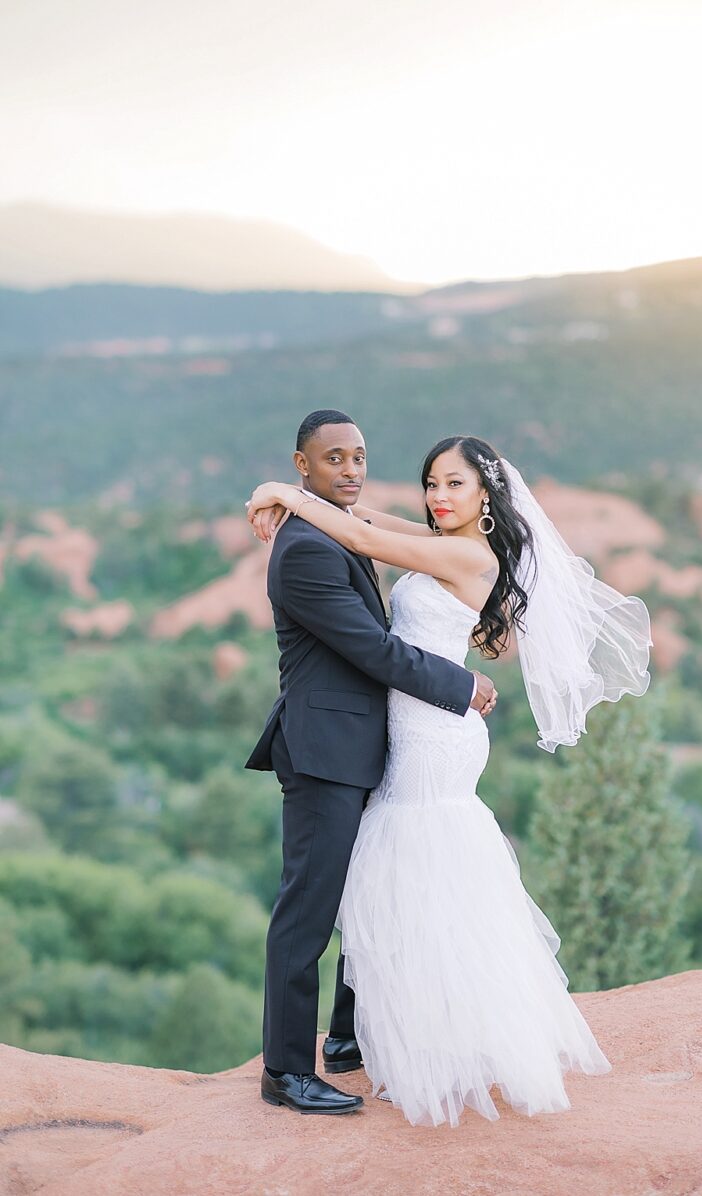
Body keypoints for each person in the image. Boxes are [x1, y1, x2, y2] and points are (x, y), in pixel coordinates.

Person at [247, 432, 651, 1126]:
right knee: (385, 872)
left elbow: (362, 537)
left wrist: (286, 493)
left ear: (487, 495)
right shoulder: (441, 541)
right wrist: (278, 492)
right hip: (406, 729)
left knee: (417, 869)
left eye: (455, 484)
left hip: (434, 733)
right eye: (432, 483)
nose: (438, 496)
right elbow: (365, 518)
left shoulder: (467, 554)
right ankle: (350, 1034)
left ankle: (401, 1035)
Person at [246, 409, 498, 1115]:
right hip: (325, 753)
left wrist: (281, 493)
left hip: (368, 746)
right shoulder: (307, 547)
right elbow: (373, 649)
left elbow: (370, 528)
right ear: (304, 465)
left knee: (373, 889)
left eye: (358, 457)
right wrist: (461, 685)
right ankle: (285, 1071)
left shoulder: (333, 525)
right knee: (309, 911)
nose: (351, 470)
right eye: (334, 459)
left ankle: (348, 1038)